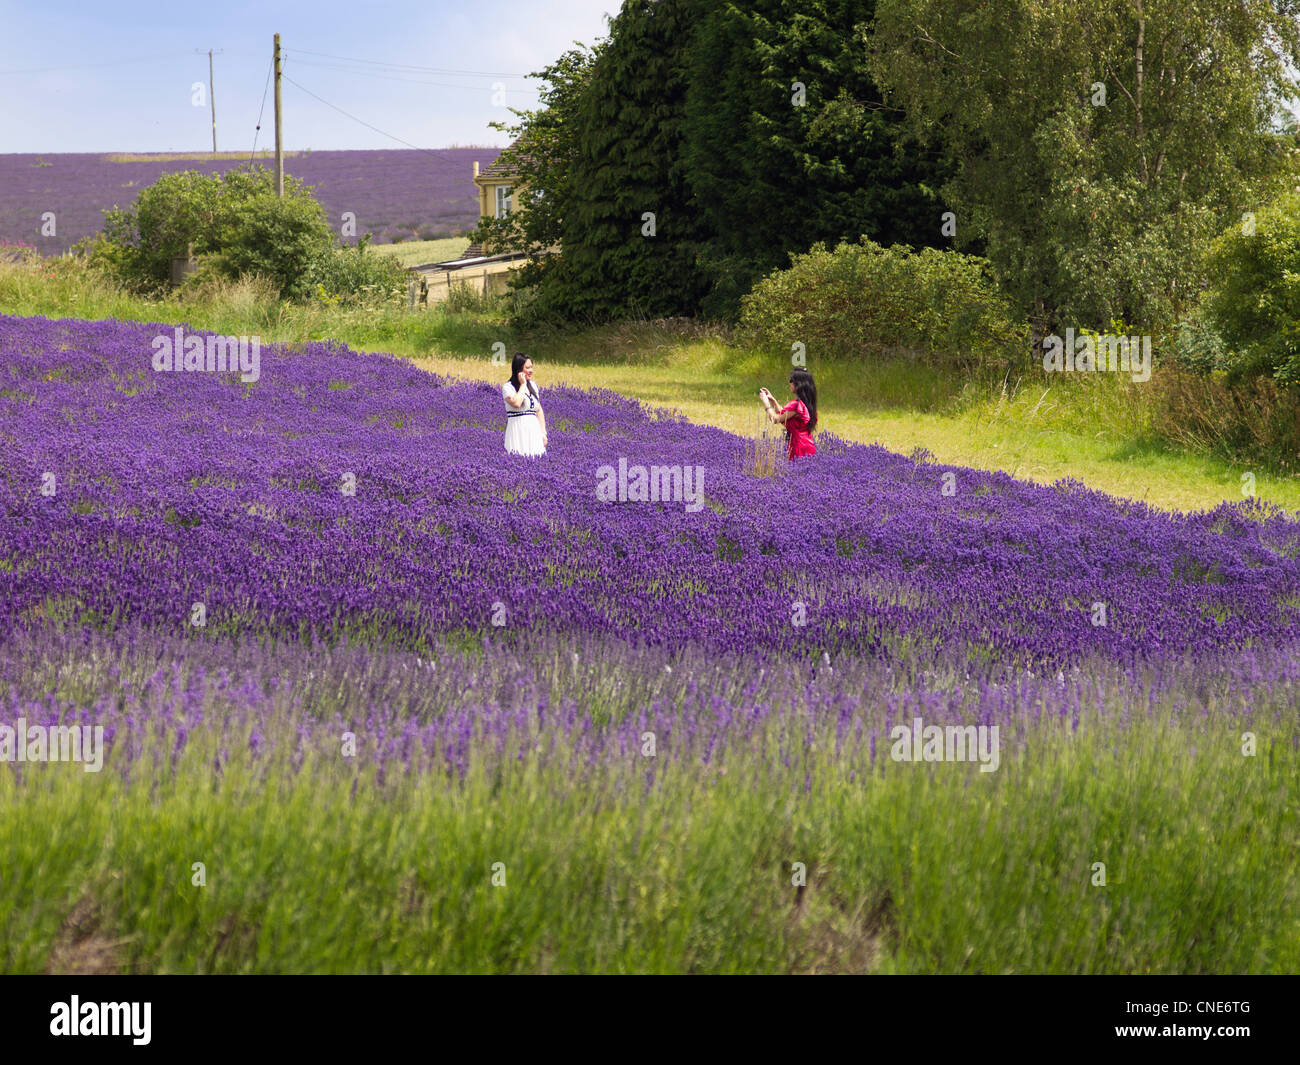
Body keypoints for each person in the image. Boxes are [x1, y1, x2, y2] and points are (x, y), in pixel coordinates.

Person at [759, 369, 817, 460]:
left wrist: (766, 404)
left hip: (798, 447)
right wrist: (773, 401)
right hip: (808, 446)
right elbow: (785, 416)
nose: (789, 383)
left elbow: (775, 419)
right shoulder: (807, 403)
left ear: (799, 384)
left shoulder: (797, 405)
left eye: (791, 380)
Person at [503, 353, 547, 456]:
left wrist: (543, 433)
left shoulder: (533, 386)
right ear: (518, 369)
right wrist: (523, 384)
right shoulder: (508, 387)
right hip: (518, 431)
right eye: (527, 368)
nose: (531, 370)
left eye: (531, 367)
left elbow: (539, 410)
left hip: (534, 431)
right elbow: (517, 403)